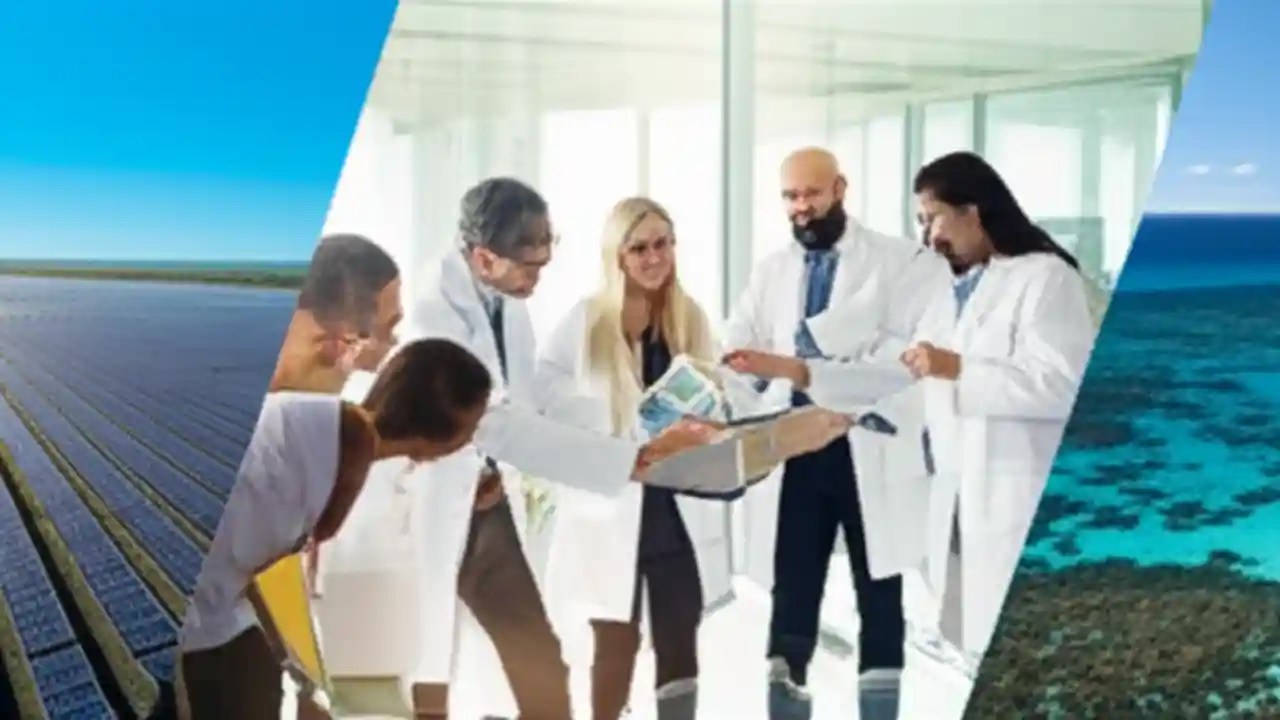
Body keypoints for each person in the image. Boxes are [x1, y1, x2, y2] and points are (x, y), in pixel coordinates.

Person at [725, 150, 1097, 717]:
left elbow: (1065, 385)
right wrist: (797, 376)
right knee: (809, 589)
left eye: (933, 218)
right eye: (921, 221)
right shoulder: (959, 288)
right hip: (942, 484)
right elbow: (896, 371)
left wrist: (954, 368)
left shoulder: (1044, 277)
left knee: (957, 621)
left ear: (973, 211)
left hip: (1009, 489)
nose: (928, 236)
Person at [368, 178, 722, 720]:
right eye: (528, 267)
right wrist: (631, 457)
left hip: (487, 500)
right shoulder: (432, 316)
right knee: (425, 666)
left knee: (536, 660)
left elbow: (532, 402)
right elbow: (492, 424)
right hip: (427, 499)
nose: (538, 277)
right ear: (484, 258)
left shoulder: (507, 299)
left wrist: (628, 430)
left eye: (545, 257)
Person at [535, 197, 854, 720]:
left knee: (680, 636)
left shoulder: (688, 317)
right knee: (615, 642)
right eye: (639, 248)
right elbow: (545, 394)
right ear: (617, 256)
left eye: (663, 244)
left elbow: (724, 395)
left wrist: (731, 413)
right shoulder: (587, 320)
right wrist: (616, 420)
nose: (654, 257)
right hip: (615, 503)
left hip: (674, 507)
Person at [148, 233, 405, 720]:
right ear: (340, 341)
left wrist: (301, 678)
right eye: (388, 330)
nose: (388, 351)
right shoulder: (298, 439)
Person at [176, 338, 495, 720]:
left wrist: (298, 680)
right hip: (205, 627)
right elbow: (238, 570)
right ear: (441, 430)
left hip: (225, 619)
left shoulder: (308, 427)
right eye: (474, 426)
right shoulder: (293, 471)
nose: (473, 440)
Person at [721, 147, 926, 720]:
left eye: (811, 193)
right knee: (793, 586)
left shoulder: (892, 261)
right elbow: (737, 347)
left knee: (878, 587)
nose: (801, 207)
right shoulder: (771, 271)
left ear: (840, 188)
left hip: (866, 441)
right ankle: (786, 703)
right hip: (798, 446)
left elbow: (902, 354)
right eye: (790, 196)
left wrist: (819, 369)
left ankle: (880, 709)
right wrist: (756, 393)